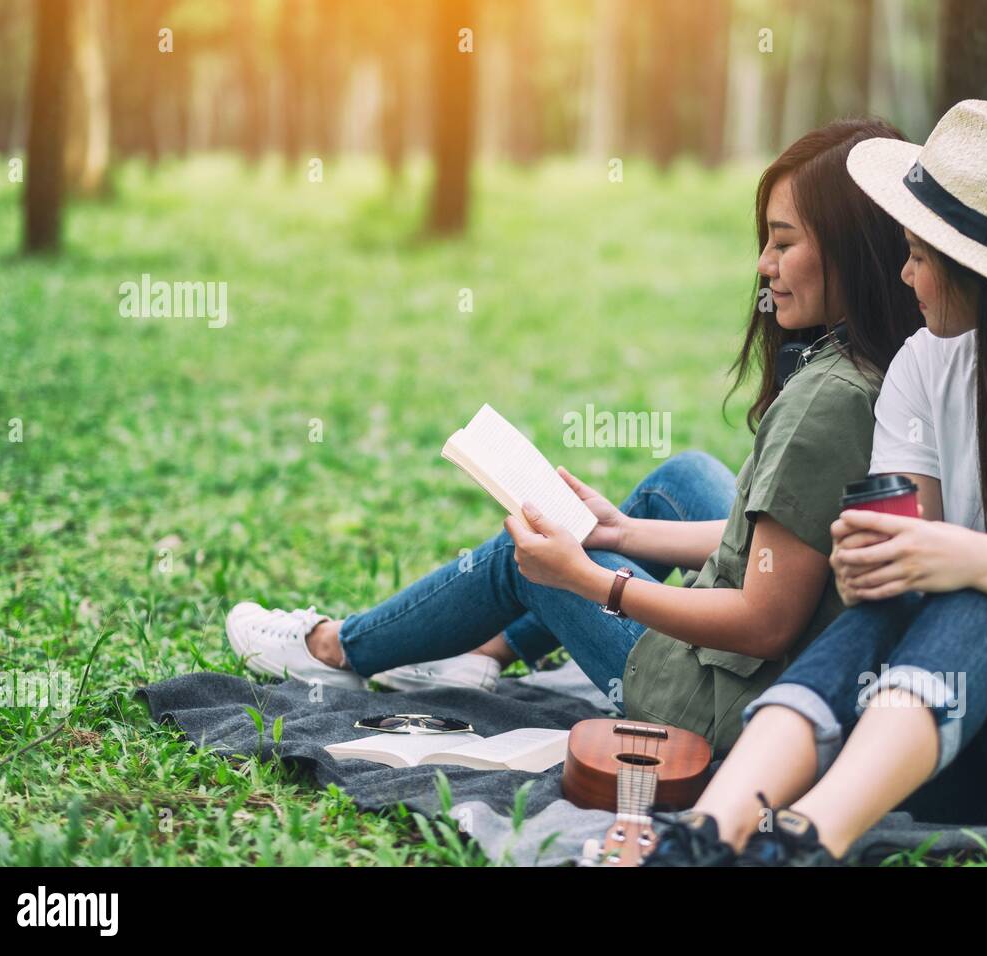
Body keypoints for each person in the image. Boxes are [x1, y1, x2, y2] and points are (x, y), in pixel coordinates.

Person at [225, 119, 923, 758]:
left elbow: (763, 621)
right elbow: (786, 551)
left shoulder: (827, 401)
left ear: (852, 245)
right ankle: (483, 652)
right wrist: (618, 535)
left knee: (524, 552)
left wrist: (592, 581)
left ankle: (333, 650)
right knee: (679, 482)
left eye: (784, 241)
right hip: (795, 657)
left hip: (714, 706)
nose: (764, 266)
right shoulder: (902, 357)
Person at [643, 99, 987, 865]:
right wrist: (870, 561)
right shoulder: (922, 365)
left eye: (919, 254)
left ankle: (806, 841)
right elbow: (907, 567)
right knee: (907, 601)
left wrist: (968, 557)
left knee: (983, 594)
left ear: (979, 275)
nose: (902, 273)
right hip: (949, 731)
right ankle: (711, 827)